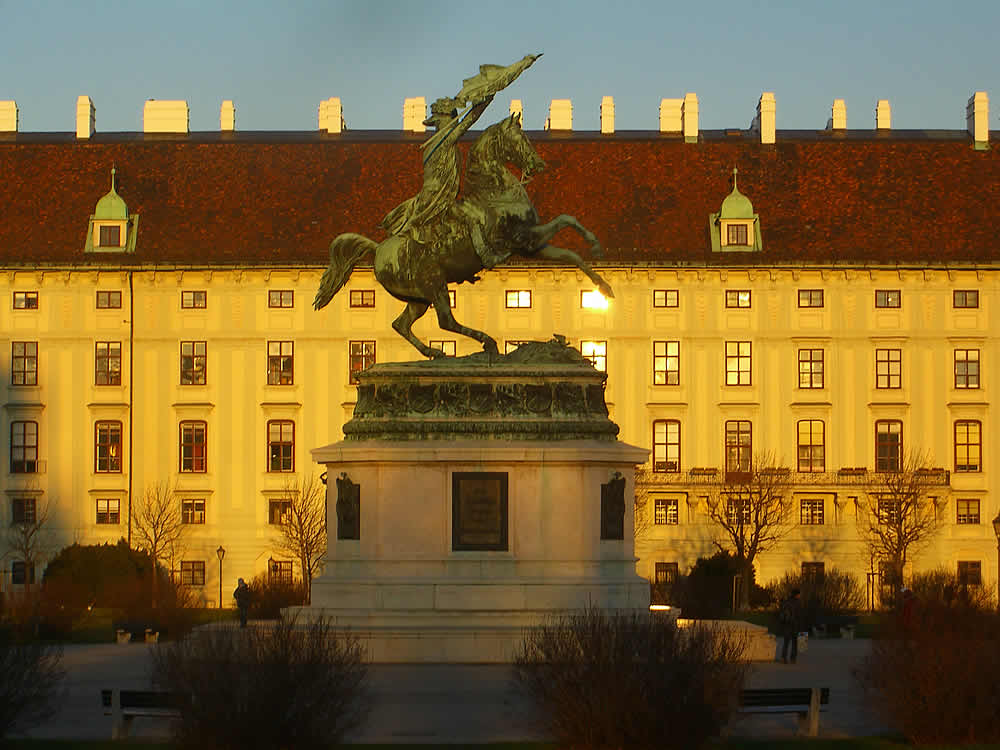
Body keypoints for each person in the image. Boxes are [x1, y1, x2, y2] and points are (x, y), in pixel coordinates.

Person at [778, 588, 802, 664]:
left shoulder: (786, 601)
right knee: (794, 643)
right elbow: (799, 615)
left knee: (786, 642)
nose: (799, 596)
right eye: (799, 594)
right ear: (796, 595)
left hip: (787, 624)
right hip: (794, 625)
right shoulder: (797, 603)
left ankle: (783, 658)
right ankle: (793, 658)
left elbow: (782, 613)